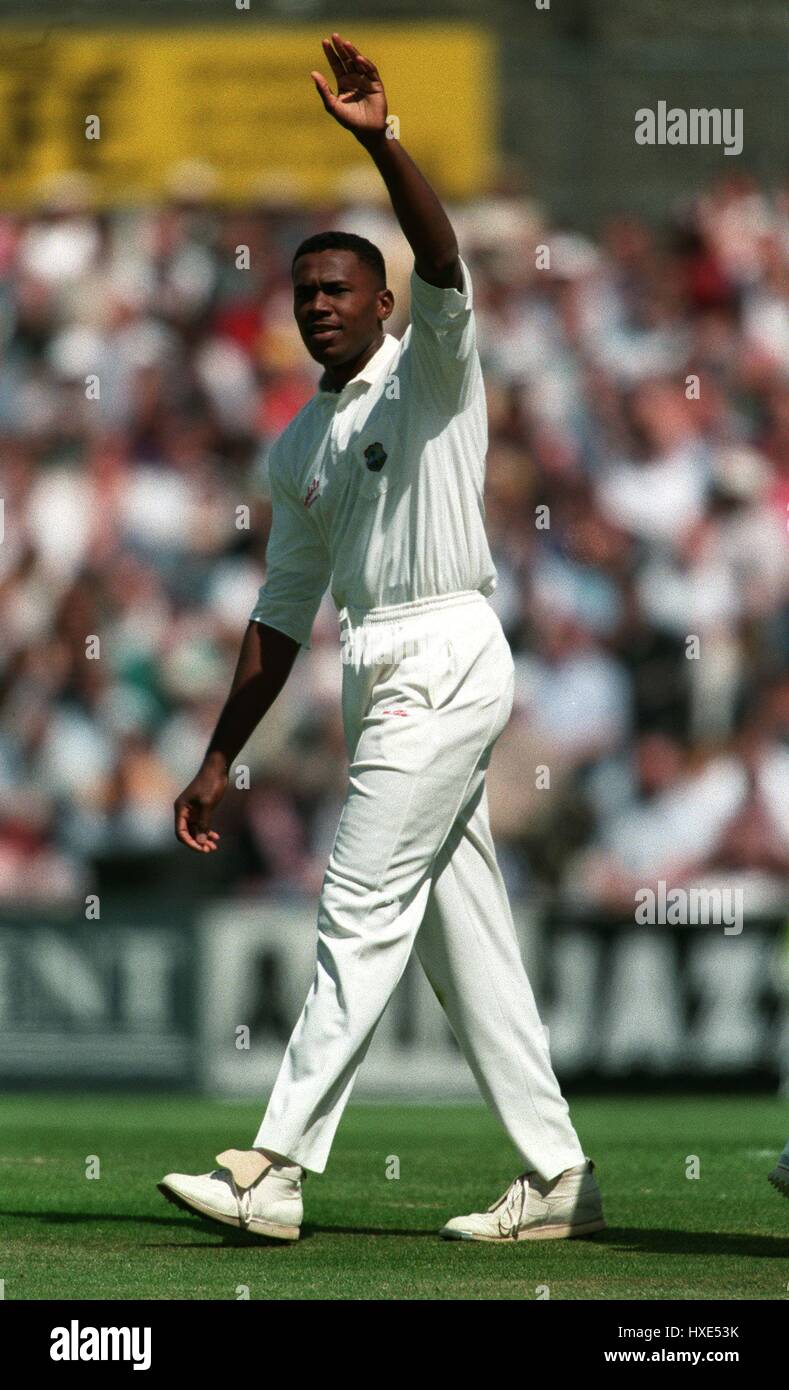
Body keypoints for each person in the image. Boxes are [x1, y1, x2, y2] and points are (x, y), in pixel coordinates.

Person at [158, 33, 604, 1244]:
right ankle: (558, 1173)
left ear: (384, 303)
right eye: (304, 295)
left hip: (448, 645)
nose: (317, 308)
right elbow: (276, 619)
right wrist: (216, 759)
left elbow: (449, 256)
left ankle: (276, 1167)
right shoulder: (297, 447)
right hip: (374, 666)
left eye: (338, 291)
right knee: (465, 945)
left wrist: (379, 140)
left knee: (358, 900)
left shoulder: (433, 375)